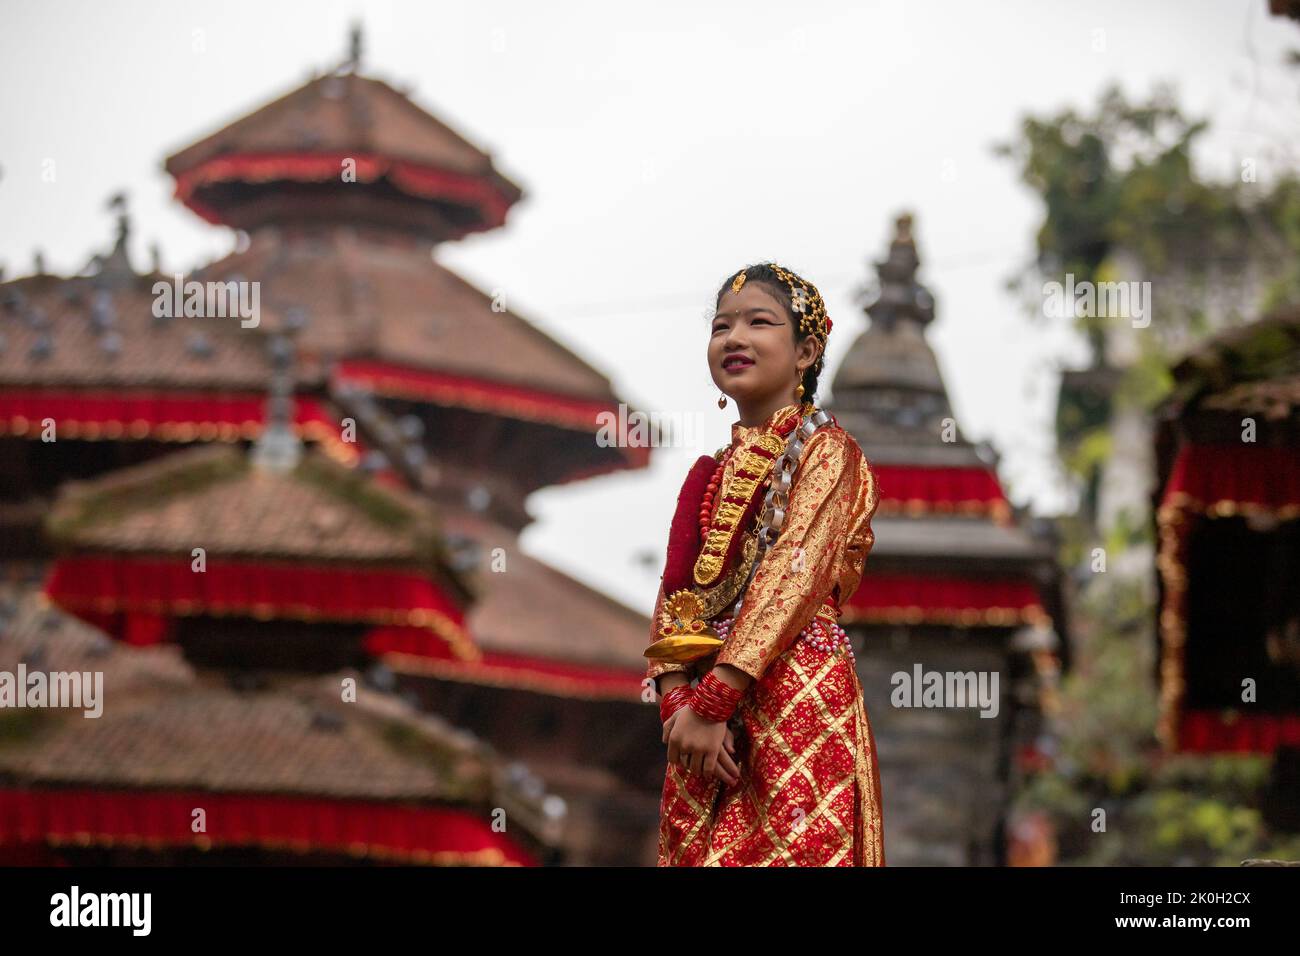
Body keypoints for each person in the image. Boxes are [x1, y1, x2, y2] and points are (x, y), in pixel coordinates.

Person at [644, 262, 885, 866]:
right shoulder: (710, 472)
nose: (735, 338)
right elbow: (675, 595)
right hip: (700, 721)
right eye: (721, 326)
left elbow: (794, 572)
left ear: (805, 351)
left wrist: (719, 695)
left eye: (759, 322)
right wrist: (677, 704)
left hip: (791, 690)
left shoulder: (829, 452)